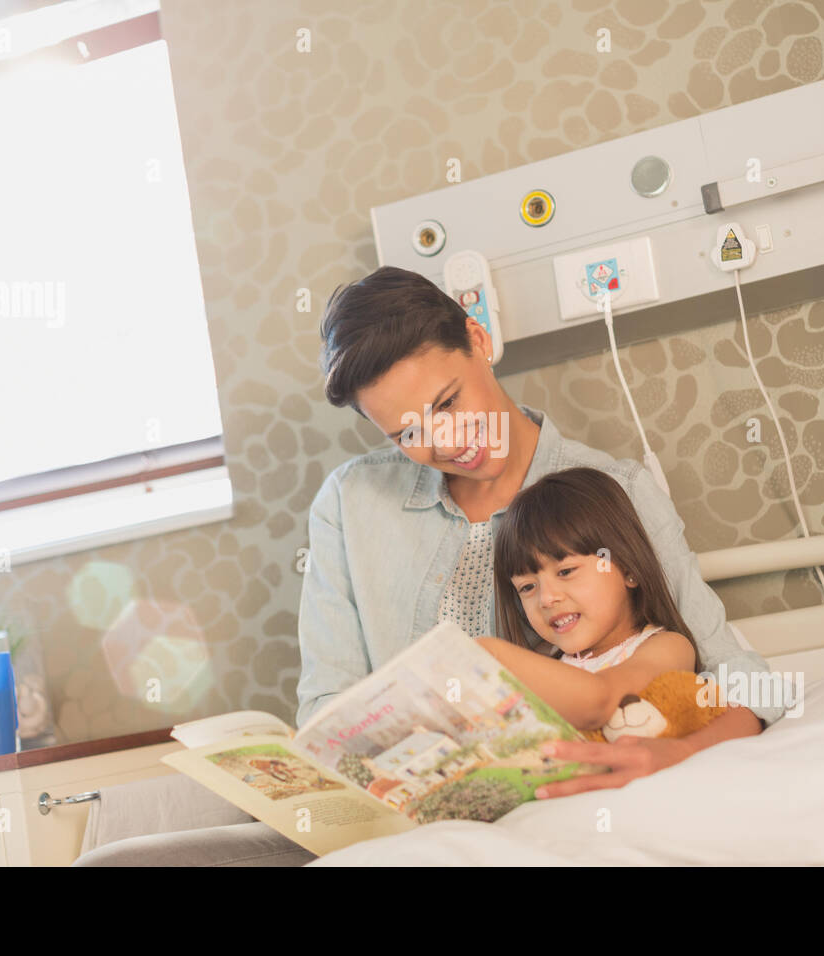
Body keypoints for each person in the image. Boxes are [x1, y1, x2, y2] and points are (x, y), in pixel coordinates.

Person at [299, 265, 782, 798]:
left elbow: (740, 678)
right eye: (408, 432)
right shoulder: (349, 502)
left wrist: (680, 753)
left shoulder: (615, 491)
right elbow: (327, 707)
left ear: (478, 339)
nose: (448, 440)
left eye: (449, 402)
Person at [472, 466, 708, 736]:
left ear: (628, 570)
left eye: (566, 572)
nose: (547, 599)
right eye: (527, 587)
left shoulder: (667, 647)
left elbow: (602, 701)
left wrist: (495, 655)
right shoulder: (551, 663)